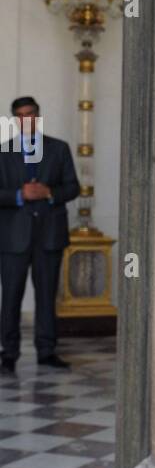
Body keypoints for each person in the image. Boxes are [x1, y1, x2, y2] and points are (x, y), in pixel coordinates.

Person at [0, 96, 80, 372]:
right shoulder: (3, 151)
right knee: (11, 296)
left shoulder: (59, 149)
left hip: (49, 235)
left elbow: (73, 188)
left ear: (38, 115)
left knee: (47, 296)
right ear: (15, 119)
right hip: (13, 238)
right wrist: (19, 194)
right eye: (20, 115)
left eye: (31, 113)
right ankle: (8, 353)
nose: (26, 119)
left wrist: (49, 192)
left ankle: (47, 351)